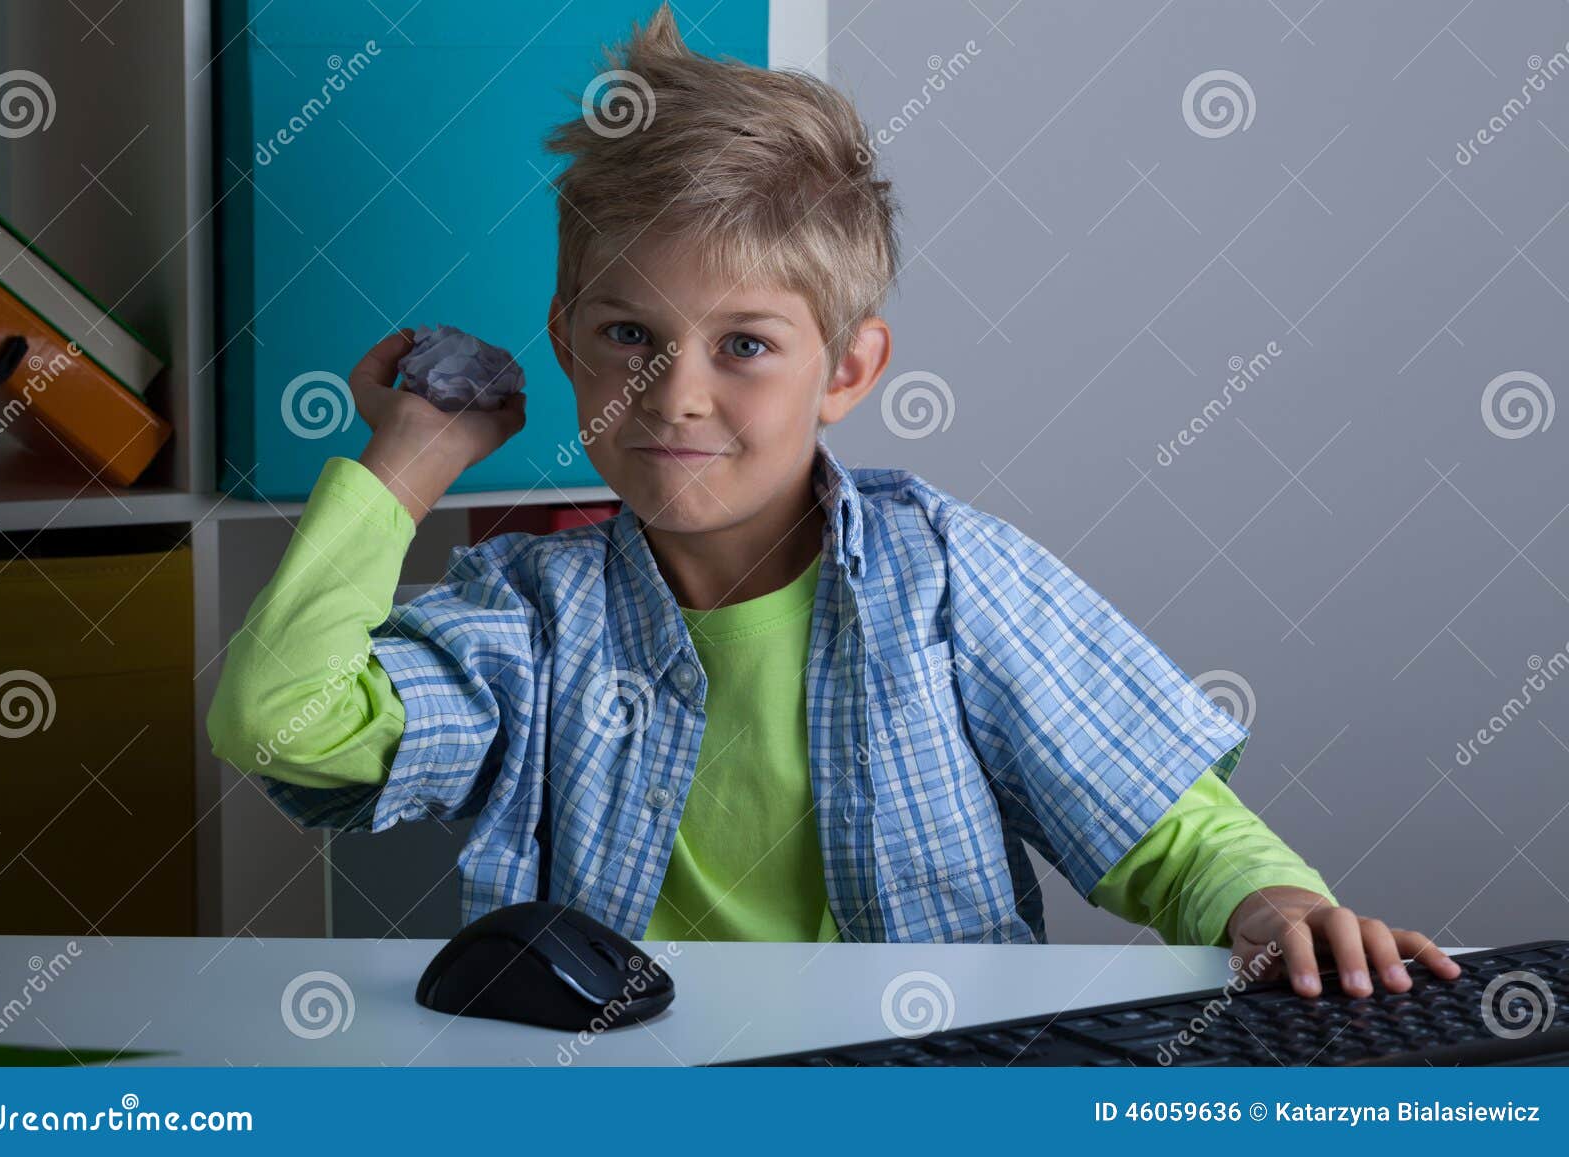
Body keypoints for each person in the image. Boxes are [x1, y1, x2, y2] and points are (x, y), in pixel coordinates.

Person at [208, 3, 1457, 1000]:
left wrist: (1276, 909)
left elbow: (1164, 829)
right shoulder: (529, 614)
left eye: (743, 344)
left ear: (847, 370)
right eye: (629, 332)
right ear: (568, 345)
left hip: (927, 1096)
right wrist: (409, 460)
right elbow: (279, 723)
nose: (673, 394)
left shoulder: (950, 578)